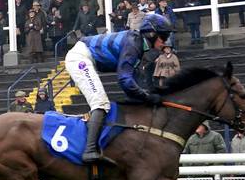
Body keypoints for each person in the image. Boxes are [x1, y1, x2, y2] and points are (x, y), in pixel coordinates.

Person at [67, 13, 172, 164]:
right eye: (163, 37)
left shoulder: (139, 45)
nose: (165, 42)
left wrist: (148, 95)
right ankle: (89, 151)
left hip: (88, 58)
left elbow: (133, 80)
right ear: (151, 34)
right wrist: (147, 97)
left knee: (105, 103)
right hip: (80, 58)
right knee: (100, 103)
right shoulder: (133, 44)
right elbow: (124, 80)